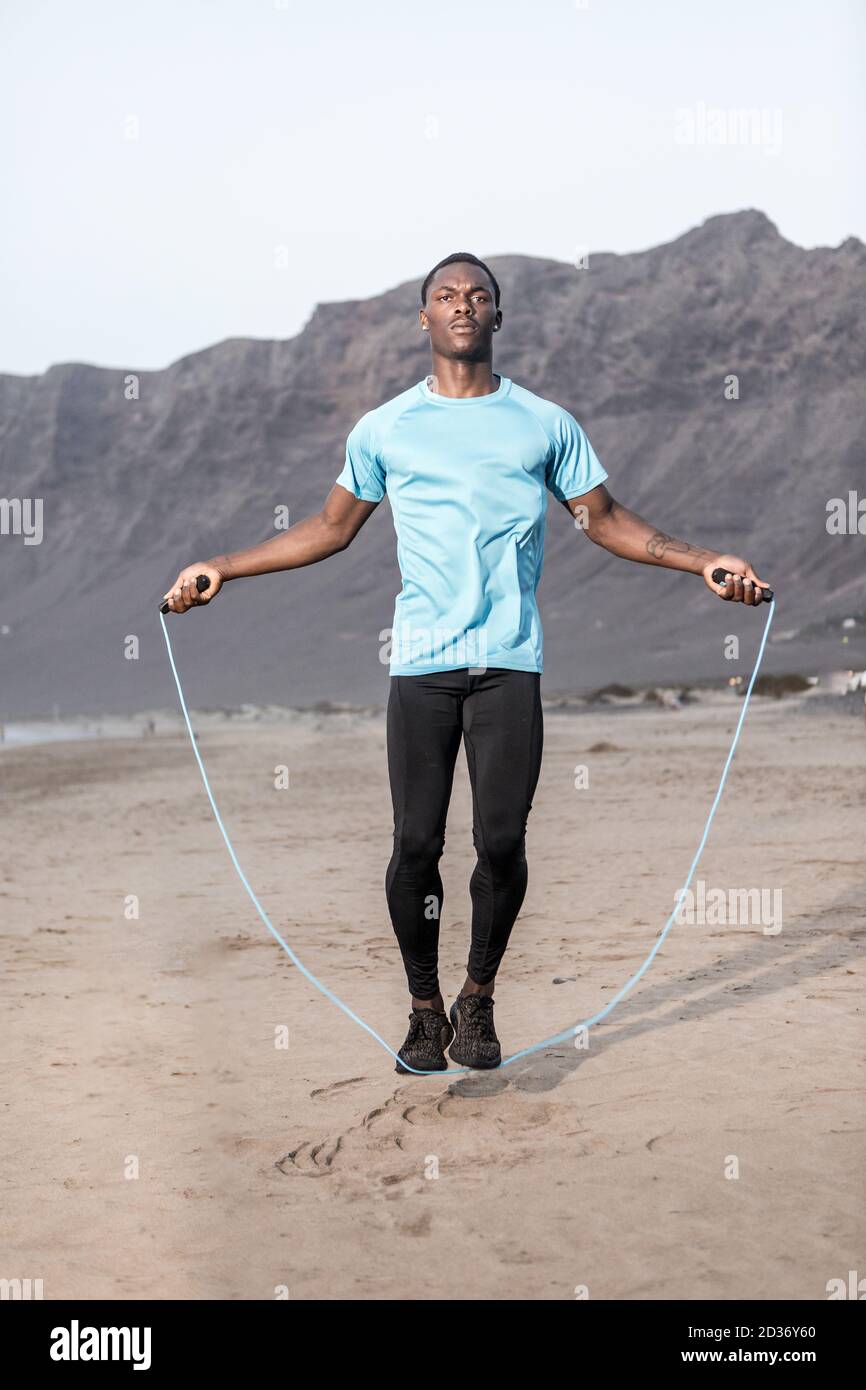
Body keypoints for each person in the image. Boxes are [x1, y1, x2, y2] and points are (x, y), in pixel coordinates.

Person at [163, 251, 770, 1074]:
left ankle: (476, 999)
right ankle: (423, 1012)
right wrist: (222, 568)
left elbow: (607, 520)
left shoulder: (545, 423)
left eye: (478, 296)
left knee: (504, 844)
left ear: (497, 318)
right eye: (445, 296)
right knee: (415, 845)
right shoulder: (384, 428)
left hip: (510, 663)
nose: (462, 306)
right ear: (424, 318)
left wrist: (702, 561)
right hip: (420, 665)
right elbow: (330, 527)